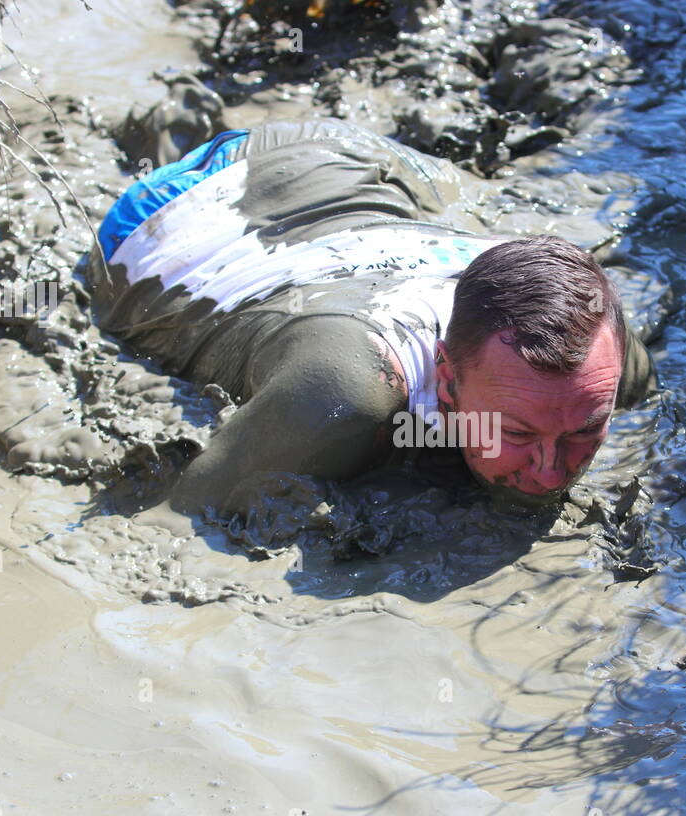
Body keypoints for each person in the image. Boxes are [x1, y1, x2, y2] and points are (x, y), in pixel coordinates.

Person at [86, 118, 657, 527]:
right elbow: (173, 526)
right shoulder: (339, 399)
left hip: (357, 161)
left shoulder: (608, 356)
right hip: (184, 208)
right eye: (516, 434)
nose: (553, 471)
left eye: (585, 432)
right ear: (447, 378)